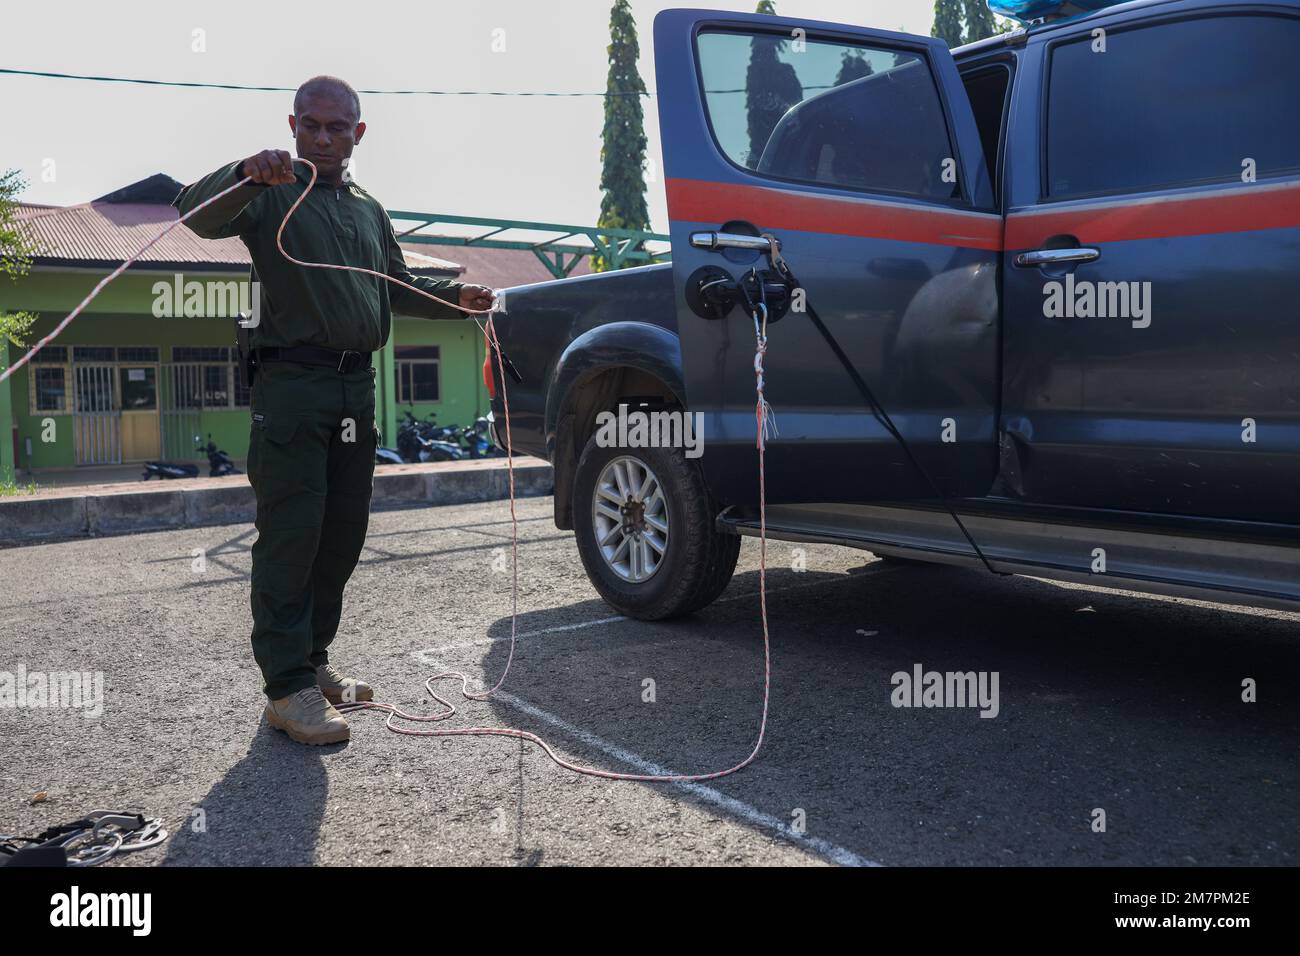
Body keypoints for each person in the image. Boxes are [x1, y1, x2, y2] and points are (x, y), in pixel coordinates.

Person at [174, 75, 494, 745]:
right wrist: (242, 170)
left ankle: (313, 665)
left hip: (357, 389)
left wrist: (453, 296)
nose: (323, 137)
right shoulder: (271, 194)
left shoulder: (367, 210)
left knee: (340, 535)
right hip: (293, 387)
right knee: (292, 535)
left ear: (358, 133)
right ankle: (286, 688)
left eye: (337, 127)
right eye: (311, 125)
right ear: (293, 125)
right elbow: (193, 217)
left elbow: (396, 285)